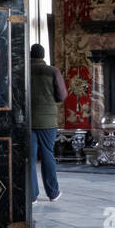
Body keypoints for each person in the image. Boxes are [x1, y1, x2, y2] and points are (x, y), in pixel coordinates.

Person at [29, 43, 68, 202]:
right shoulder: (53, 71)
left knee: (29, 159)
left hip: (28, 120)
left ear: (31, 55)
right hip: (47, 120)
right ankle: (53, 193)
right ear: (43, 55)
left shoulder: (24, 70)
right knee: (48, 155)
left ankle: (32, 196)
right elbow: (62, 95)